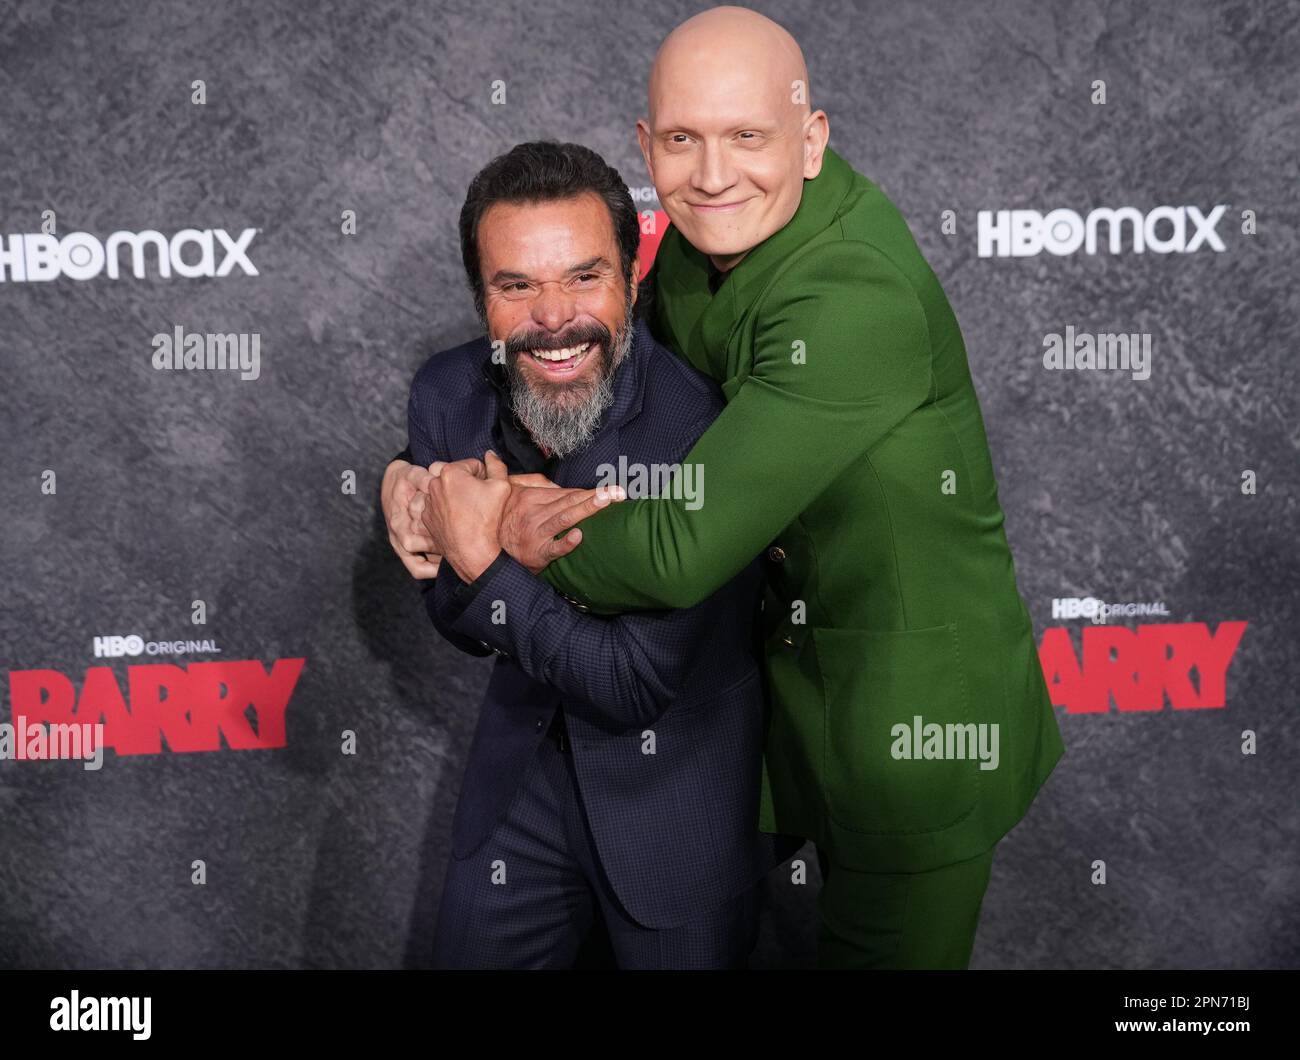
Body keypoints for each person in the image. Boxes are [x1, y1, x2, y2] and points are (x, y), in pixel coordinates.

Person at [389, 6, 1065, 969]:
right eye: (681, 140)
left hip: (914, 725)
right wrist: (408, 479)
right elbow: (563, 341)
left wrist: (489, 526)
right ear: (645, 145)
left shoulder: (851, 296)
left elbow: (678, 551)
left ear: (813, 138)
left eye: (748, 135)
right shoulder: (701, 248)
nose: (711, 174)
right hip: (781, 697)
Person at [408, 140, 781, 968]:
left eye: (585, 276)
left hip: (678, 806)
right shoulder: (446, 393)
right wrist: (492, 553)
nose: (554, 317)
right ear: (482, 300)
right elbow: (452, 618)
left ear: (632, 281)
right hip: (522, 786)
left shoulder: (699, 432)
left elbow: (632, 678)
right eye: (517, 286)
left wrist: (489, 558)